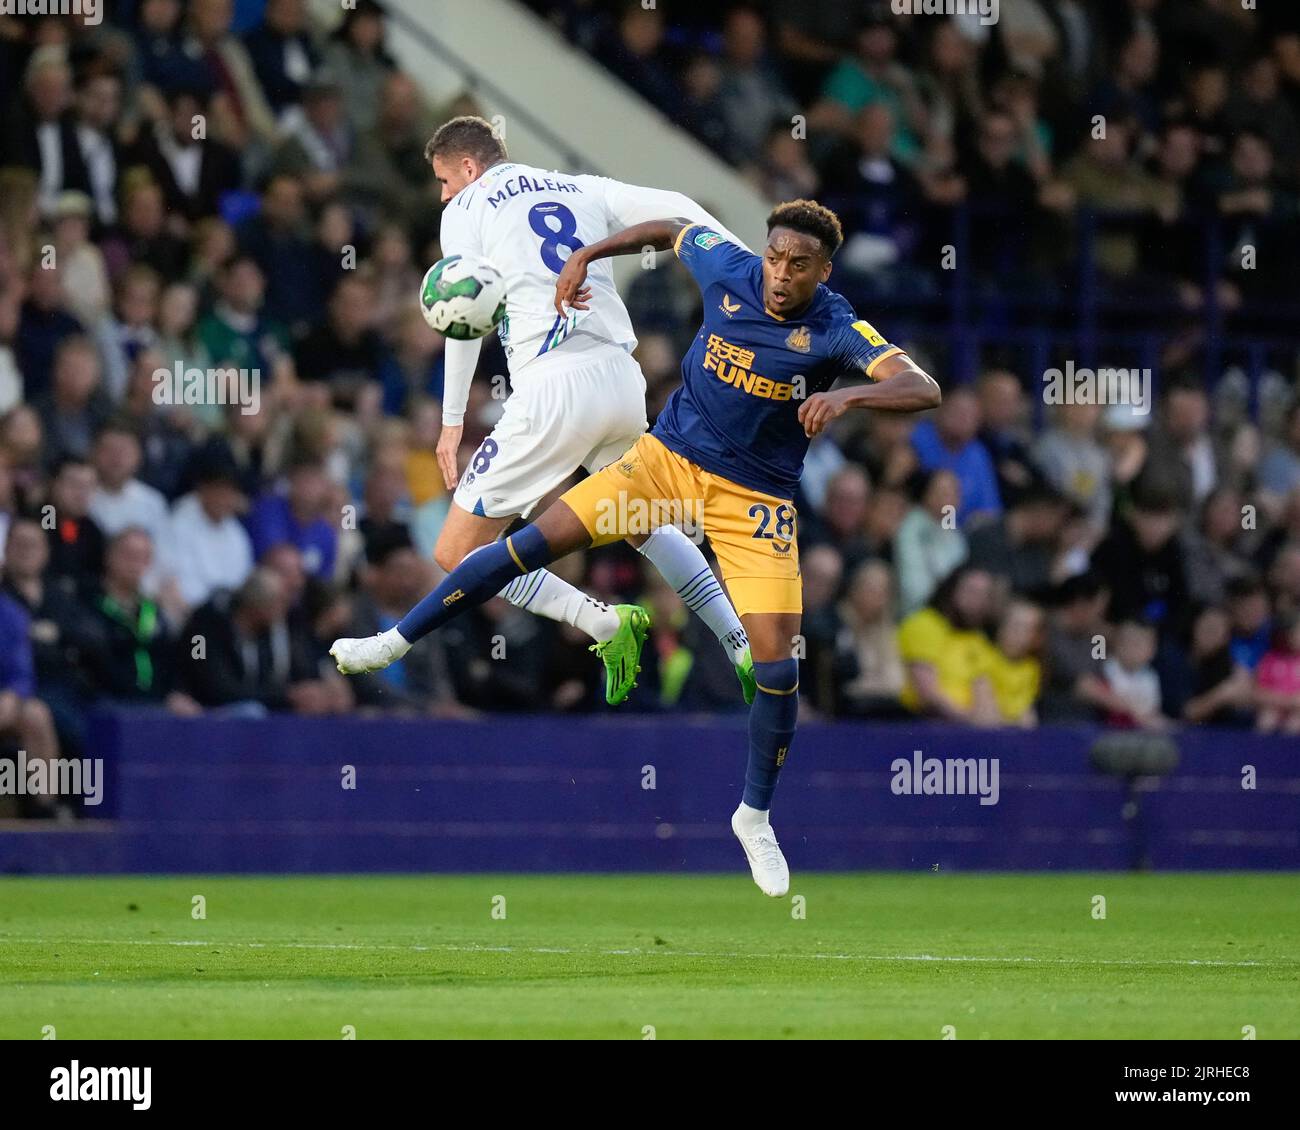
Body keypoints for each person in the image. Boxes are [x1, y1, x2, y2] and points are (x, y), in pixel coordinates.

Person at [330, 199, 941, 896]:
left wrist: (849, 399)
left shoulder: (834, 325)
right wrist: (591, 254)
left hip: (754, 499)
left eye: (798, 265)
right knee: (527, 545)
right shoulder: (729, 267)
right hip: (662, 465)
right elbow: (673, 229)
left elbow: (922, 386)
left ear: (822, 271)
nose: (780, 274)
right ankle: (394, 642)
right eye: (774, 257)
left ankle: (753, 817)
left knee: (778, 668)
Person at [419, 115, 757, 705]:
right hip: (621, 379)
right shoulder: (579, 186)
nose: (444, 194)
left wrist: (451, 422)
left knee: (456, 553)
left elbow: (463, 316)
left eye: (445, 180)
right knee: (645, 523)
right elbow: (680, 208)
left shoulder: (465, 209)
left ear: (468, 168)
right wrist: (749, 269)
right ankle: (740, 641)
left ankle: (601, 620)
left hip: (553, 387)